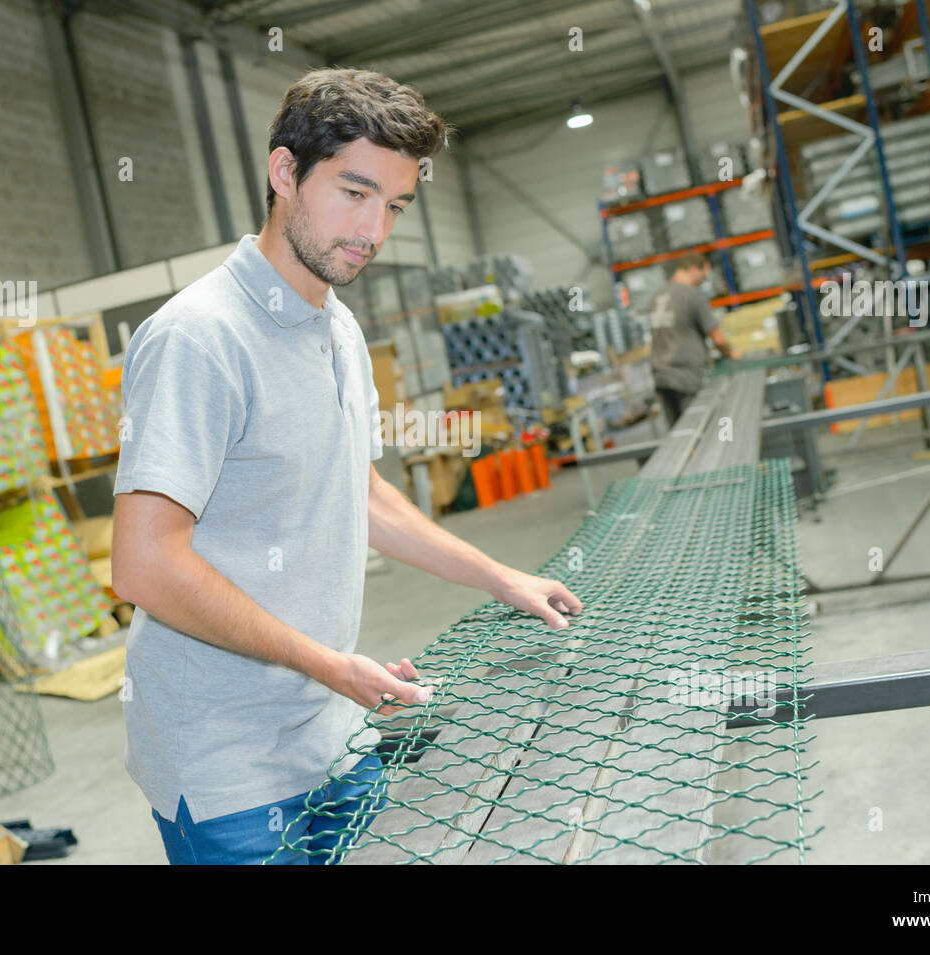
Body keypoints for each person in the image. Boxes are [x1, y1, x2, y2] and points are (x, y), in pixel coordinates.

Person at [109, 68, 582, 866]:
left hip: (331, 723)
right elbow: (144, 563)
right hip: (229, 761)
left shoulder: (339, 329)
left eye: (393, 206)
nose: (373, 231)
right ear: (285, 172)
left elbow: (361, 495)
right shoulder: (198, 338)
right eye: (354, 192)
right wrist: (331, 663)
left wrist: (498, 575)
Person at [645, 252, 737, 426]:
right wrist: (731, 354)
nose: (703, 281)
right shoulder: (693, 295)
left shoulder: (656, 296)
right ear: (695, 269)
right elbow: (718, 339)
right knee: (695, 430)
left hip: (661, 376)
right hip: (686, 377)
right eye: (704, 275)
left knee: (678, 435)